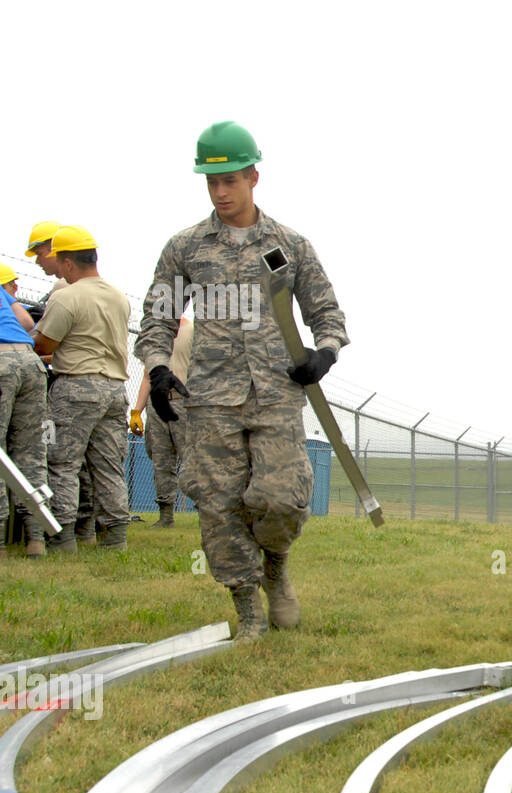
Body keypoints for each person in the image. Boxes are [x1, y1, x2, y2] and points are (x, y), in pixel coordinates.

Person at [137, 120, 349, 641]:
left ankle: (275, 567)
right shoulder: (184, 248)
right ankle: (247, 611)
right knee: (219, 505)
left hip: (276, 395)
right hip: (209, 399)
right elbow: (158, 318)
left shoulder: (289, 244)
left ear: (253, 176)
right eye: (211, 182)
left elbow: (327, 313)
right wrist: (159, 368)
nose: (220, 191)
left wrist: (325, 353)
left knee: (280, 498)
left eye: (230, 179)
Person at [31, 225, 132, 551]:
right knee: (107, 466)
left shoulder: (66, 297)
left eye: (59, 263)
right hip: (115, 389)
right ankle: (115, 538)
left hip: (76, 387)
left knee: (63, 464)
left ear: (69, 263)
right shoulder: (117, 297)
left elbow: (44, 343)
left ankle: (62, 538)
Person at [25, 220, 97, 543]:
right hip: (89, 385)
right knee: (81, 463)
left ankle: (62, 531)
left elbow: (45, 344)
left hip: (63, 387)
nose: (39, 261)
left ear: (57, 252)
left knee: (58, 457)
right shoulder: (93, 291)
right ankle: (87, 529)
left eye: (40, 252)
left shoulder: (63, 292)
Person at [0, 264, 49, 557]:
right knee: (31, 452)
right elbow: (25, 322)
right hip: (30, 362)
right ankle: (35, 538)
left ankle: (1, 546)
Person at [130, 317, 193, 527]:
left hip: (184, 403)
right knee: (161, 461)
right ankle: (166, 515)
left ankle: (207, 512)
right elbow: (148, 377)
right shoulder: (154, 336)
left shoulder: (192, 331)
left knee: (193, 460)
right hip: (156, 404)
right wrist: (136, 412)